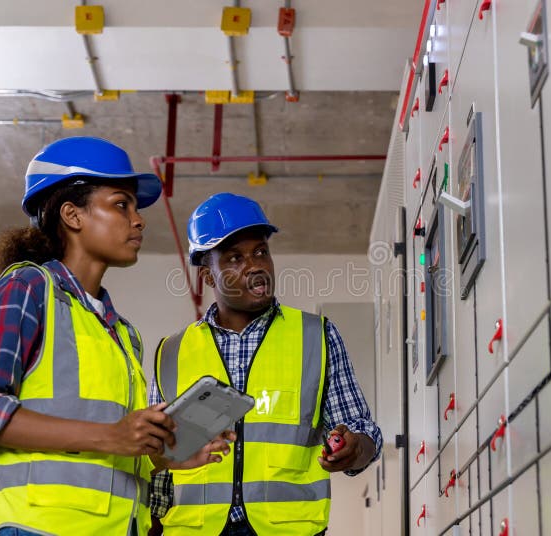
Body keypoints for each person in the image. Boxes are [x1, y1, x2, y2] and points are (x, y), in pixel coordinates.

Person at [0, 137, 233, 536]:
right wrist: (114, 435)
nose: (138, 219)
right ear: (72, 215)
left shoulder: (121, 332)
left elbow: (110, 445)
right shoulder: (27, 290)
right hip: (37, 528)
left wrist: (162, 455)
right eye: (121, 204)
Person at [149, 192, 382, 536]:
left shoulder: (315, 336)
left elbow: (362, 433)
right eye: (234, 258)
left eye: (260, 252)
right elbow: (156, 460)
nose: (255, 265)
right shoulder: (170, 351)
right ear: (209, 277)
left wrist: (354, 447)